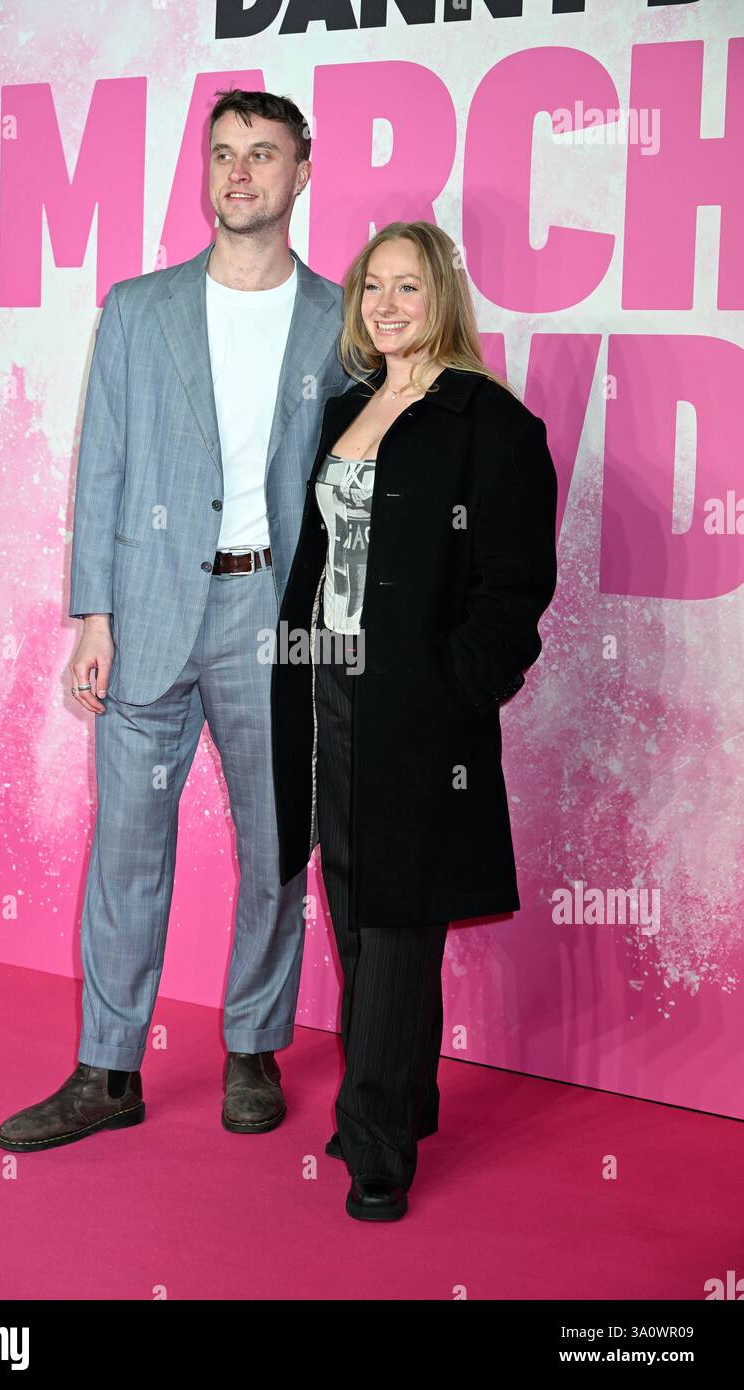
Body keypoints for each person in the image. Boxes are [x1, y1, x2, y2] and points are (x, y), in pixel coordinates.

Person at [0, 89, 353, 1153]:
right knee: (125, 850)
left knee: (278, 845)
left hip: (271, 613)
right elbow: (100, 465)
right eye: (223, 154)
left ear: (300, 171)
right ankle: (108, 1070)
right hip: (146, 613)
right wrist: (92, 613)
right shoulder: (138, 308)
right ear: (206, 173)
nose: (239, 172)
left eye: (262, 154)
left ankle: (253, 1042)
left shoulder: (341, 321)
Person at [270, 221, 559, 1220]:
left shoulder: (490, 423)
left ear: (441, 298)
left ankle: (376, 1147)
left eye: (407, 286)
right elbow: (317, 554)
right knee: (355, 903)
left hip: (418, 706)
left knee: (397, 917)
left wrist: (452, 685)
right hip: (331, 684)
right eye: (370, 288)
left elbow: (513, 588)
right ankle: (408, 1098)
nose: (386, 304)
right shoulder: (349, 405)